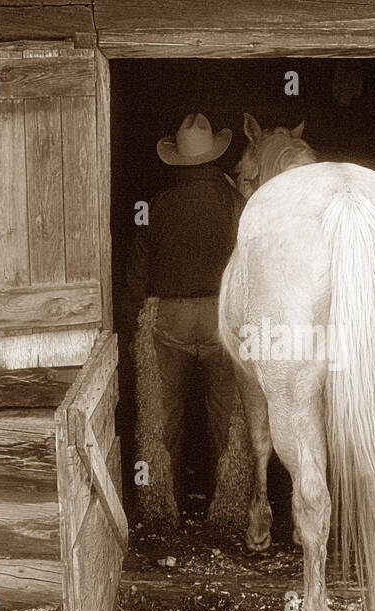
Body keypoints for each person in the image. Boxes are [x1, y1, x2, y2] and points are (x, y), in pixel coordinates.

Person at [129, 113, 246, 506]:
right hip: (220, 319)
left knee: (163, 417)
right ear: (214, 155)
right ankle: (229, 506)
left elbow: (137, 270)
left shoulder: (156, 203)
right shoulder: (235, 201)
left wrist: (133, 318)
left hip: (170, 319)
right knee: (227, 417)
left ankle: (165, 506)